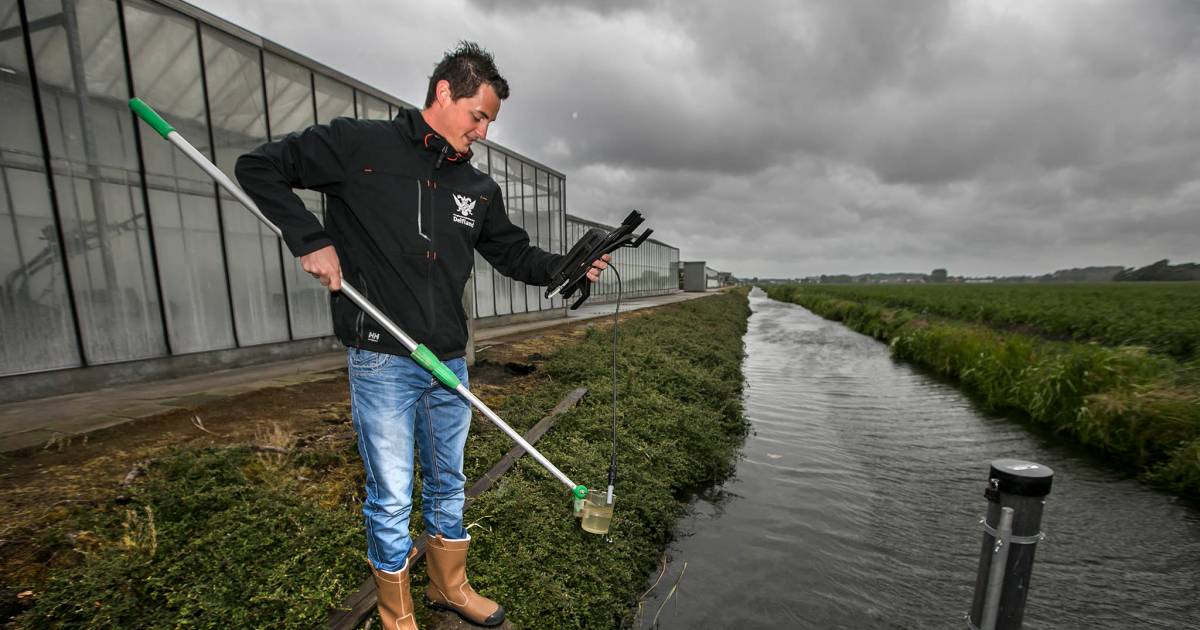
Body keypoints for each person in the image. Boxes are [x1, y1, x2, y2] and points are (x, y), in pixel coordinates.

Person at [236, 42, 608, 630]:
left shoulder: (477, 188)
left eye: (489, 121)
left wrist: (567, 267)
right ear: (444, 93)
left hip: (448, 359)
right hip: (383, 356)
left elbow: (512, 254)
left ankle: (449, 587)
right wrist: (309, 237)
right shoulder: (358, 145)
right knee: (391, 493)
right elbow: (257, 167)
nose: (482, 131)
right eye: (478, 115)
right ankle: (396, 613)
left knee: (447, 480)